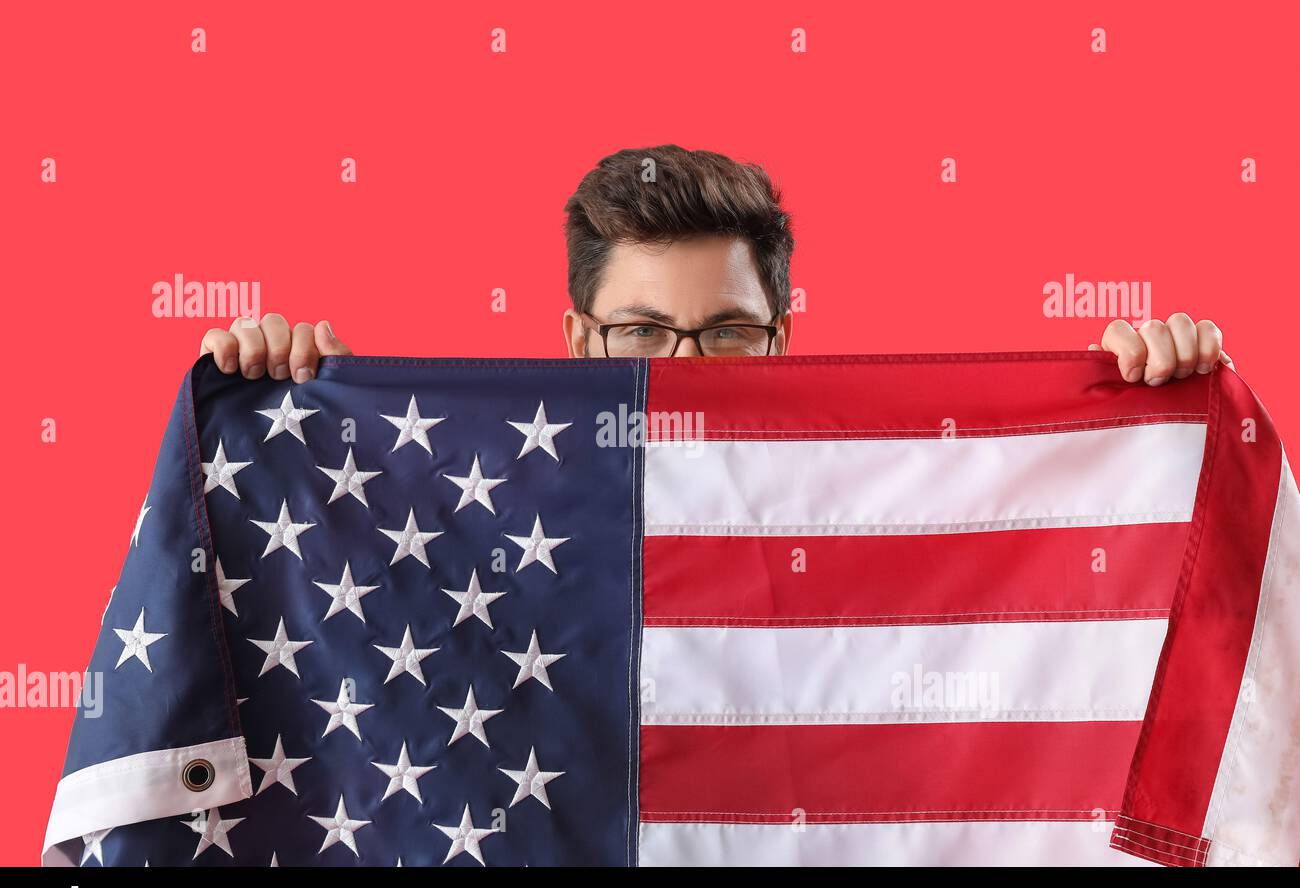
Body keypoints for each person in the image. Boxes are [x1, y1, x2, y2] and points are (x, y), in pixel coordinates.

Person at [198, 145, 1229, 382]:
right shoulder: (473, 503)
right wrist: (284, 409)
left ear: (784, 338)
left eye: (729, 330)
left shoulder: (874, 503)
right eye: (643, 329)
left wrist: (1139, 414)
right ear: (576, 338)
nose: (681, 371)